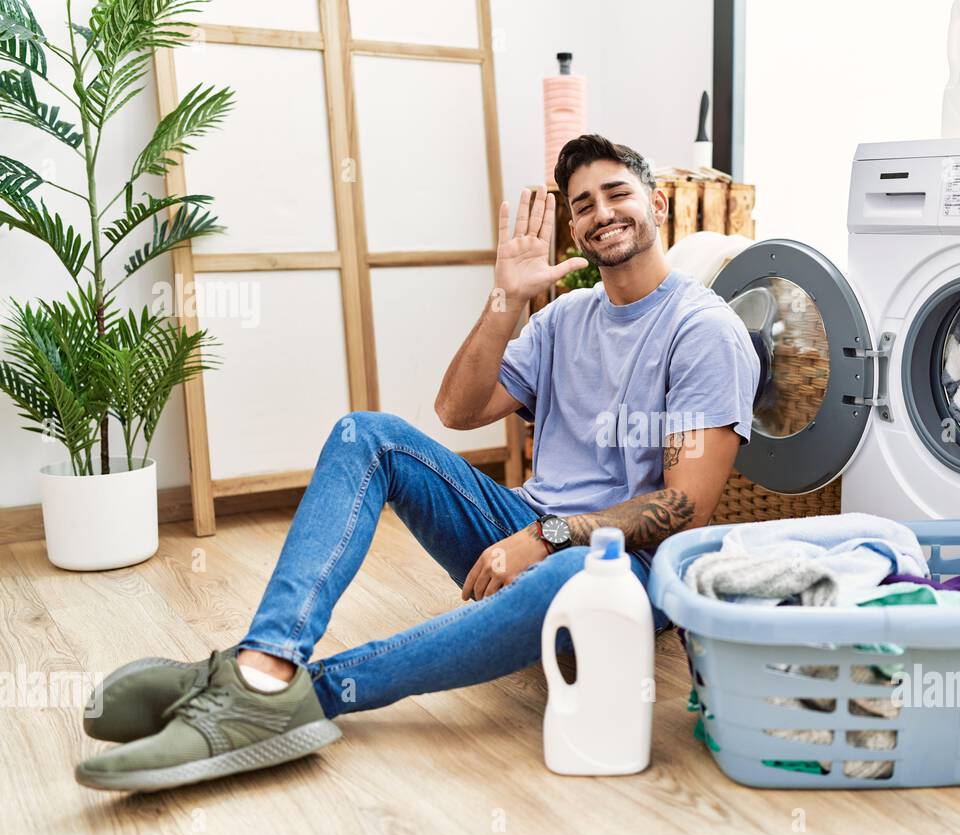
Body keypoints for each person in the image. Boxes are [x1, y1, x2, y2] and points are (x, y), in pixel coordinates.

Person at [76, 134, 760, 792]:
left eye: (617, 193)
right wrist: (507, 298)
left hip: (619, 565)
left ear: (657, 205)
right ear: (573, 228)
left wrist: (546, 538)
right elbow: (458, 411)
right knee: (366, 433)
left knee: (562, 580)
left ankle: (271, 694)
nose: (602, 213)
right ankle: (266, 660)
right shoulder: (564, 319)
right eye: (583, 204)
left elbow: (682, 508)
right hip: (525, 519)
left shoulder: (704, 332)